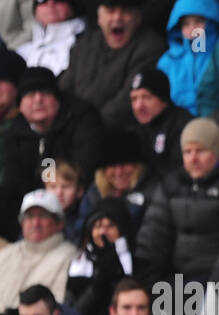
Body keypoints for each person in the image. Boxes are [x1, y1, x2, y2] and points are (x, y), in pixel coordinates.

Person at [134, 117, 219, 292]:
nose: (193, 158)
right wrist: (144, 284)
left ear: (217, 151)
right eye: (187, 152)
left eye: (201, 151)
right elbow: (153, 235)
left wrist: (216, 286)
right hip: (175, 281)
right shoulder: (170, 185)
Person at [3, 67, 102, 237]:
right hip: (33, 207)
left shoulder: (81, 117)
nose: (38, 99)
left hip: (75, 202)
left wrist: (54, 195)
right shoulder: (15, 133)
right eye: (30, 94)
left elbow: (84, 167)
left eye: (45, 93)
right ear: (20, 104)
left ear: (57, 98)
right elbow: (14, 180)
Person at [59, 0, 166, 130]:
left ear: (137, 18)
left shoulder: (150, 48)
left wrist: (85, 126)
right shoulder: (83, 45)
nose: (117, 17)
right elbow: (64, 88)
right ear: (99, 17)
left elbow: (125, 102)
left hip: (118, 133)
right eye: (110, 11)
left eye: (125, 11)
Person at [0, 190, 78, 315]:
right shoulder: (6, 254)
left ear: (59, 223)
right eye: (29, 216)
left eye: (43, 216)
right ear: (22, 222)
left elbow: (58, 307)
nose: (35, 224)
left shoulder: (71, 257)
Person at [156, 0, 219, 115]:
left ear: (212, 21)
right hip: (177, 124)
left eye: (198, 21)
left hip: (217, 119)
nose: (192, 28)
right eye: (185, 24)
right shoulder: (168, 61)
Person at [129, 68, 194, 182]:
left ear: (163, 99)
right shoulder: (132, 128)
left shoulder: (183, 125)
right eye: (134, 99)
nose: (139, 106)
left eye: (146, 97)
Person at [16, 0, 85, 75]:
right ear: (35, 11)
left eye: (58, 0)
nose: (51, 3)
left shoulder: (84, 47)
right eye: (43, 1)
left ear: (72, 7)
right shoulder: (22, 53)